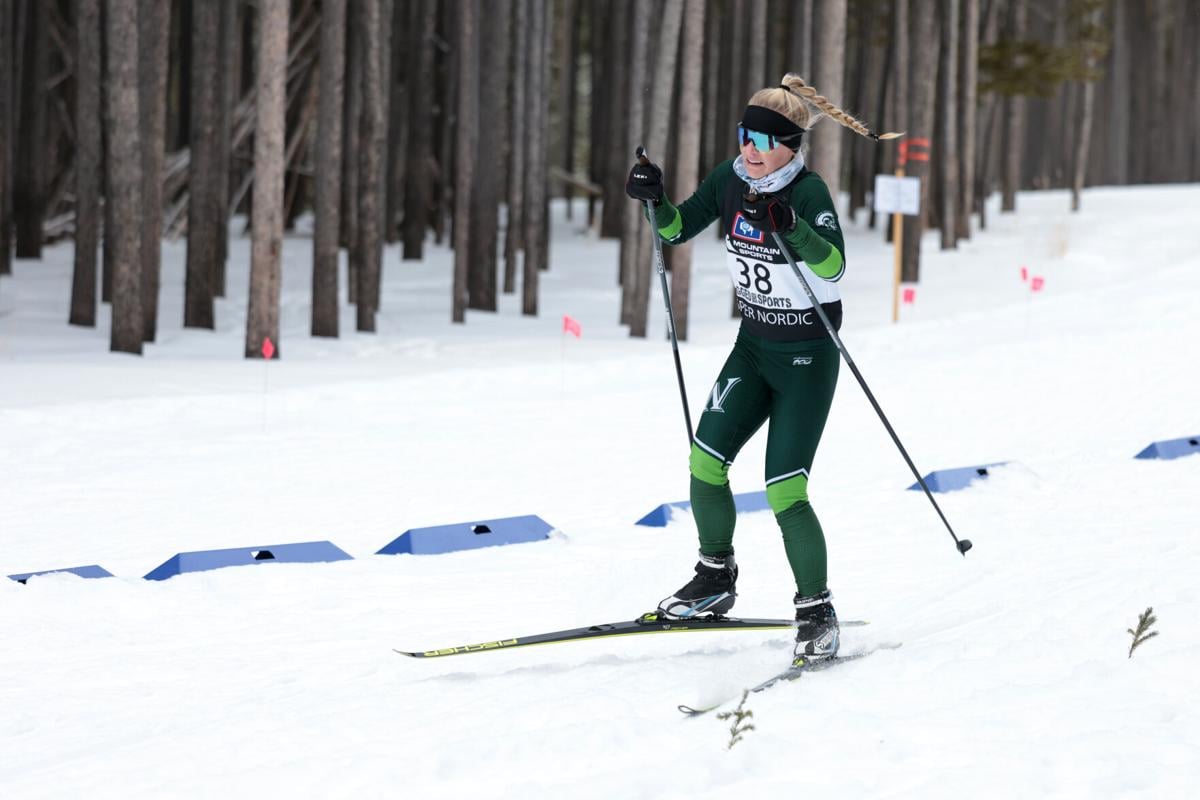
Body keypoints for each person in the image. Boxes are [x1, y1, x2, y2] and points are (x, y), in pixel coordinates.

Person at [625, 73, 899, 663]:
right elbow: (677, 228)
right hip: (753, 346)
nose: (748, 147)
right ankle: (714, 577)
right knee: (705, 458)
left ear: (791, 147)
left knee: (784, 489)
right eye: (744, 133)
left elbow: (833, 271)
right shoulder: (731, 177)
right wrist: (653, 197)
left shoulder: (809, 193)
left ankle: (816, 611)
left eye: (762, 139)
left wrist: (793, 229)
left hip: (805, 357)